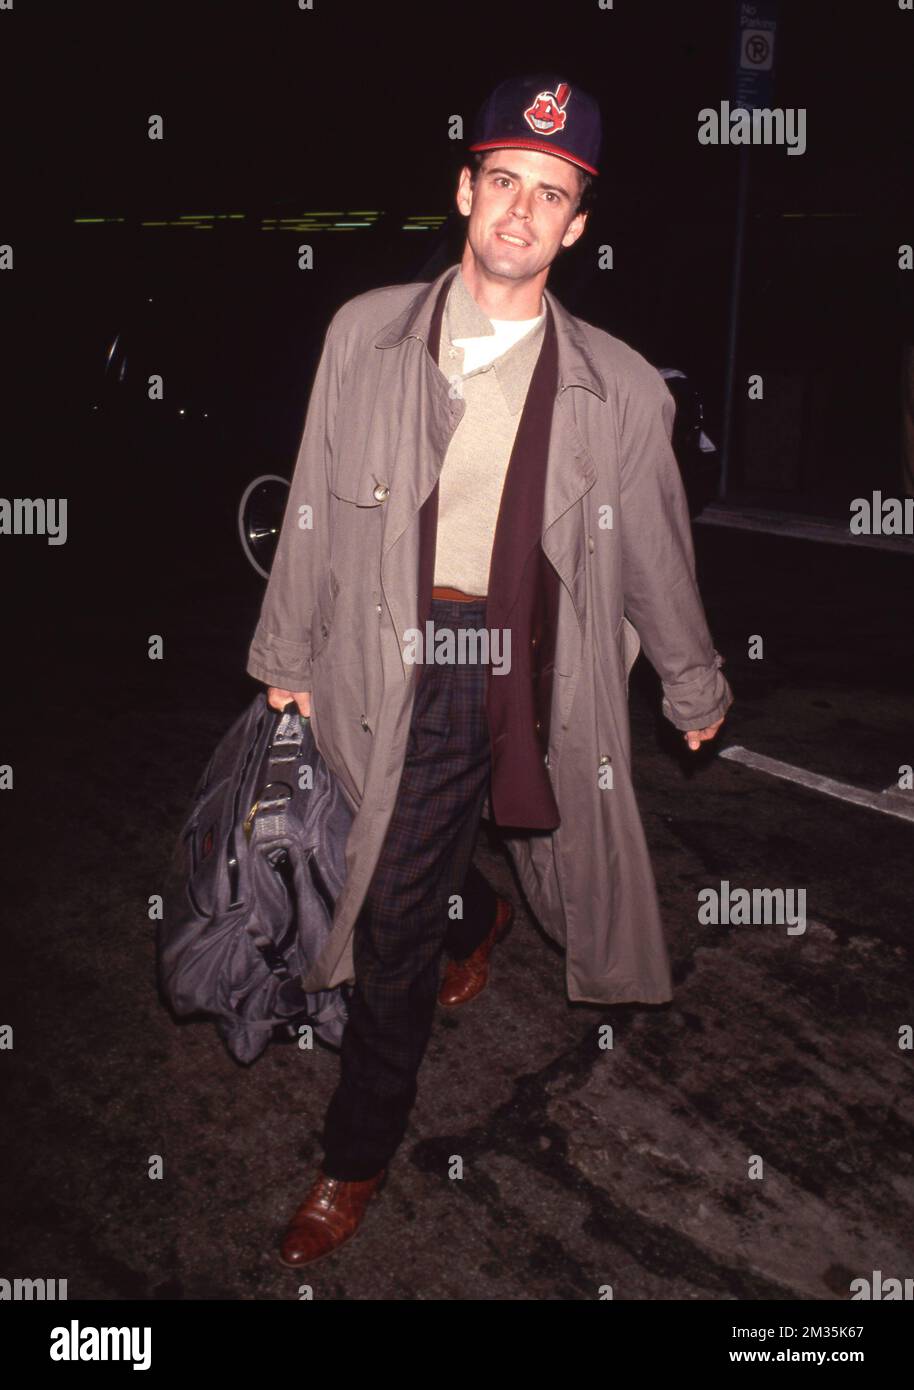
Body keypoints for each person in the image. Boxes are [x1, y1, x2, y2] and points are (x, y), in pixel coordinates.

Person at [246, 74, 733, 1267]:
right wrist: (287, 652)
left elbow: (654, 554)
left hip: (501, 659)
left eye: (550, 194)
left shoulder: (614, 386)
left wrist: (691, 684)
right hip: (372, 643)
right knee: (387, 841)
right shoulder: (364, 331)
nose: (521, 210)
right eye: (503, 181)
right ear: (465, 192)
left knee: (389, 915)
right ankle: (483, 908)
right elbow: (310, 497)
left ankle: (351, 1156)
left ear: (576, 228)